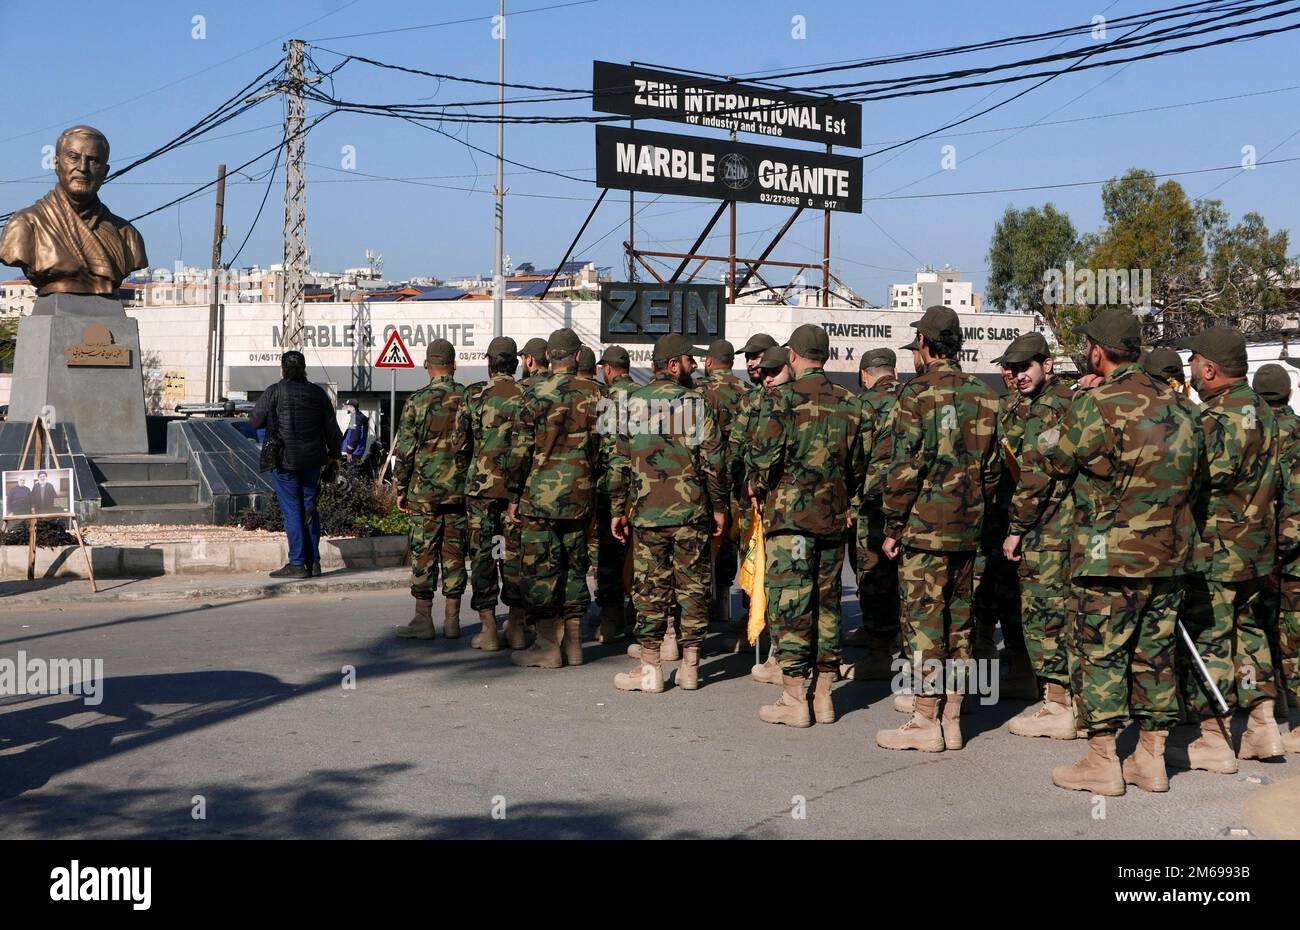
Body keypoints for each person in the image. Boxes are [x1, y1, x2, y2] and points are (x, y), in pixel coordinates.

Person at [1040, 310, 1201, 795]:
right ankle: (1151, 760)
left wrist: (1072, 409)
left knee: (1101, 654)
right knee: (1156, 655)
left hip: (1109, 555)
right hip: (1171, 553)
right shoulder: (1180, 406)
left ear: (1097, 350)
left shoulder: (1099, 402)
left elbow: (1056, 458)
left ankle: (1102, 761)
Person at [877, 306, 1002, 752]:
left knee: (924, 623)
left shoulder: (915, 394)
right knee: (959, 624)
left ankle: (926, 719)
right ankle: (952, 719)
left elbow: (904, 468)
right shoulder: (985, 393)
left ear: (926, 345)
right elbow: (991, 470)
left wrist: (893, 523)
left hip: (924, 529)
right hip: (968, 527)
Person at [1170, 326, 1285, 772]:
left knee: (1212, 637)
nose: (1192, 370)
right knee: (1251, 636)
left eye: (1195, 361)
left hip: (1216, 549)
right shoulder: (1263, 411)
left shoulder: (1216, 419)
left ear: (1211, 368)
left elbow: (1199, 478)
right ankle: (1261, 726)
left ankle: (1215, 739)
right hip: (1255, 548)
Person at [746, 324, 863, 727]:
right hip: (832, 519)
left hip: (790, 519)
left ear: (792, 356)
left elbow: (763, 456)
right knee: (827, 605)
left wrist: (758, 488)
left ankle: (796, 697)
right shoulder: (851, 402)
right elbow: (860, 466)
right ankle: (826, 696)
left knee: (792, 603)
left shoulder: (781, 399)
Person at [609, 333, 726, 693]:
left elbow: (618, 463)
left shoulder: (629, 403)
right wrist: (719, 506)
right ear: (673, 365)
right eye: (689, 360)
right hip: (691, 513)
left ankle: (651, 668)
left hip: (647, 514)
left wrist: (617, 509)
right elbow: (715, 461)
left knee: (650, 589)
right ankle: (691, 667)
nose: (693, 366)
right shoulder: (696, 403)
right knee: (693, 588)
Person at [506, 327, 604, 669]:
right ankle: (575, 644)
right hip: (581, 496)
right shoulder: (599, 395)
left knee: (540, 570)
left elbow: (518, 452)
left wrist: (514, 495)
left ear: (549, 356)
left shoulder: (532, 394)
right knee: (576, 566)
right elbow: (613, 453)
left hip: (539, 498)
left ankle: (547, 644)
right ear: (578, 356)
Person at [999, 332, 1081, 738]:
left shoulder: (1052, 407)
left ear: (1046, 365)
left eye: (1025, 367)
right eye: (1012, 369)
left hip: (1048, 528)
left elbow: (1034, 476)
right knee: (1067, 615)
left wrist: (1016, 529)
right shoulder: (1054, 402)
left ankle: (1057, 705)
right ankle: (1072, 703)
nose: (1017, 375)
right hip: (1068, 528)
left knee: (1044, 616)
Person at [0, 125, 147, 296]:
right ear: (56, 164)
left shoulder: (127, 234)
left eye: (93, 160)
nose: (83, 168)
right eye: (73, 157)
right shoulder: (25, 224)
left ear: (105, 171)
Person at [392, 339, 471, 641]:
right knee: (454, 554)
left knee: (423, 553)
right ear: (454, 364)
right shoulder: (468, 399)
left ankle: (423, 620)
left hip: (424, 493)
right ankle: (453, 621)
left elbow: (406, 451)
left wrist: (400, 487)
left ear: (426, 365)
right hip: (460, 491)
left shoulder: (416, 401)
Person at [250, 350, 343, 579]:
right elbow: (332, 430)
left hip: (284, 462)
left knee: (293, 511)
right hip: (312, 461)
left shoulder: (274, 391)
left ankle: (298, 563)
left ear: (283, 369)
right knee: (310, 509)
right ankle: (314, 563)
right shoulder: (317, 393)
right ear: (304, 368)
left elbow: (255, 420)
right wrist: (335, 456)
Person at [843, 347, 903, 680]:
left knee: (873, 573)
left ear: (866, 374)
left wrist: (852, 499)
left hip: (874, 504)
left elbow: (855, 457)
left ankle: (880, 651)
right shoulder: (913, 397)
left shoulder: (863, 405)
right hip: (912, 504)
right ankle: (901, 641)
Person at [465, 337, 526, 651]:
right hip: (518, 491)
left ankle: (489, 629)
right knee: (512, 556)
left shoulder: (475, 394)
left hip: (482, 489)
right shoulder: (527, 395)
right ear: (515, 363)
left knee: (484, 556)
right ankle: (515, 626)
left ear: (490, 363)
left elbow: (461, 443)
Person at [1254, 363, 1300, 752]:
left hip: (1267, 553)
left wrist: (1272, 553)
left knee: (1265, 631)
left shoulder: (1258, 434)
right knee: (1293, 636)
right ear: (1288, 395)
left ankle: (1271, 705)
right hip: (1288, 555)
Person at [698, 339, 747, 628]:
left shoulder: (700, 393)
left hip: (707, 479)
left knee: (705, 541)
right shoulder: (747, 393)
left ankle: (702, 608)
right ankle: (726, 603)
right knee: (736, 539)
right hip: (738, 479)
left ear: (709, 362)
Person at [594, 345, 637, 643]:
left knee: (609, 553)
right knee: (637, 555)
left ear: (608, 369)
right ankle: (637, 615)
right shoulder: (647, 396)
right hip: (643, 488)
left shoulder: (606, 400)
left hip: (612, 487)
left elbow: (607, 450)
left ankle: (611, 619)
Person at [341, 399, 369, 465]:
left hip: (353, 453)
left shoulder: (356, 418)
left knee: (351, 473)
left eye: (347, 406)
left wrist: (350, 451)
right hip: (355, 451)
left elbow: (355, 436)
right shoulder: (357, 416)